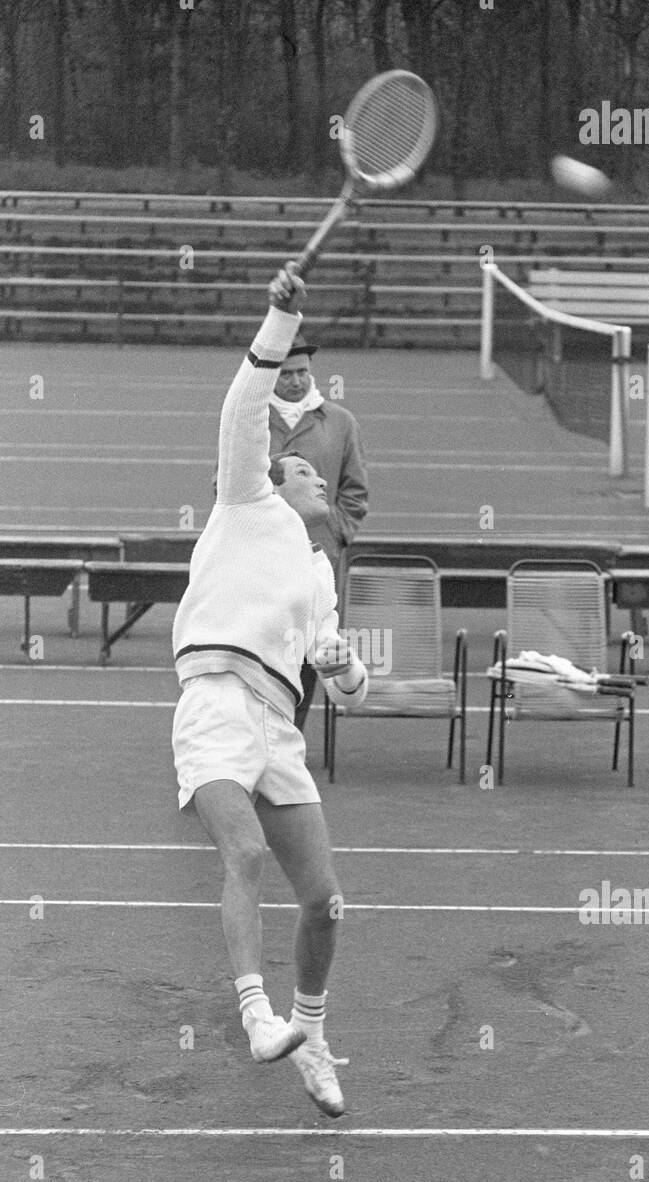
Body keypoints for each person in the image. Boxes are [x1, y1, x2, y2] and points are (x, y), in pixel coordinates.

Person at [170, 262, 368, 1118]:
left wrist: (350, 670)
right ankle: (255, 1013)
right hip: (214, 701)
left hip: (278, 728)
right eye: (304, 474)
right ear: (273, 479)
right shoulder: (245, 504)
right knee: (243, 854)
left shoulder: (320, 573)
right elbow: (240, 411)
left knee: (324, 903)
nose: (317, 478)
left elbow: (343, 678)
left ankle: (310, 1033)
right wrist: (278, 320)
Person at [268, 332, 369, 730]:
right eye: (287, 373)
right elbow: (222, 485)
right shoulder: (250, 419)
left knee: (312, 648)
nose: (296, 381)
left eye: (303, 372)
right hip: (265, 556)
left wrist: (335, 532)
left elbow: (356, 492)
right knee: (266, 642)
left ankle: (290, 735)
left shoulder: (341, 422)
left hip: (319, 558)